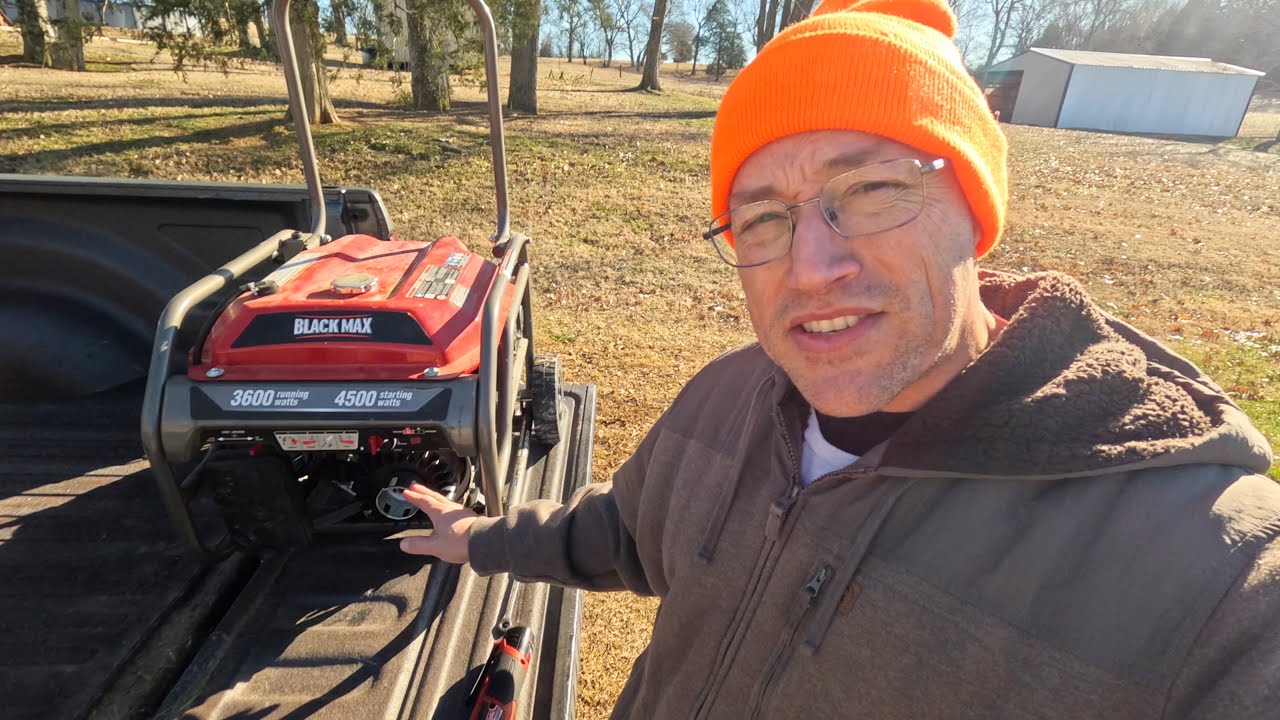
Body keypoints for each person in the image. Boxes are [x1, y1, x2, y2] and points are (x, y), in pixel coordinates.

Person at [399, 0, 1280, 716]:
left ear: (972, 213)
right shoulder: (724, 401)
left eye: (870, 191)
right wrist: (477, 538)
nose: (813, 268)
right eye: (763, 218)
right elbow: (625, 533)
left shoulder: (1216, 580)